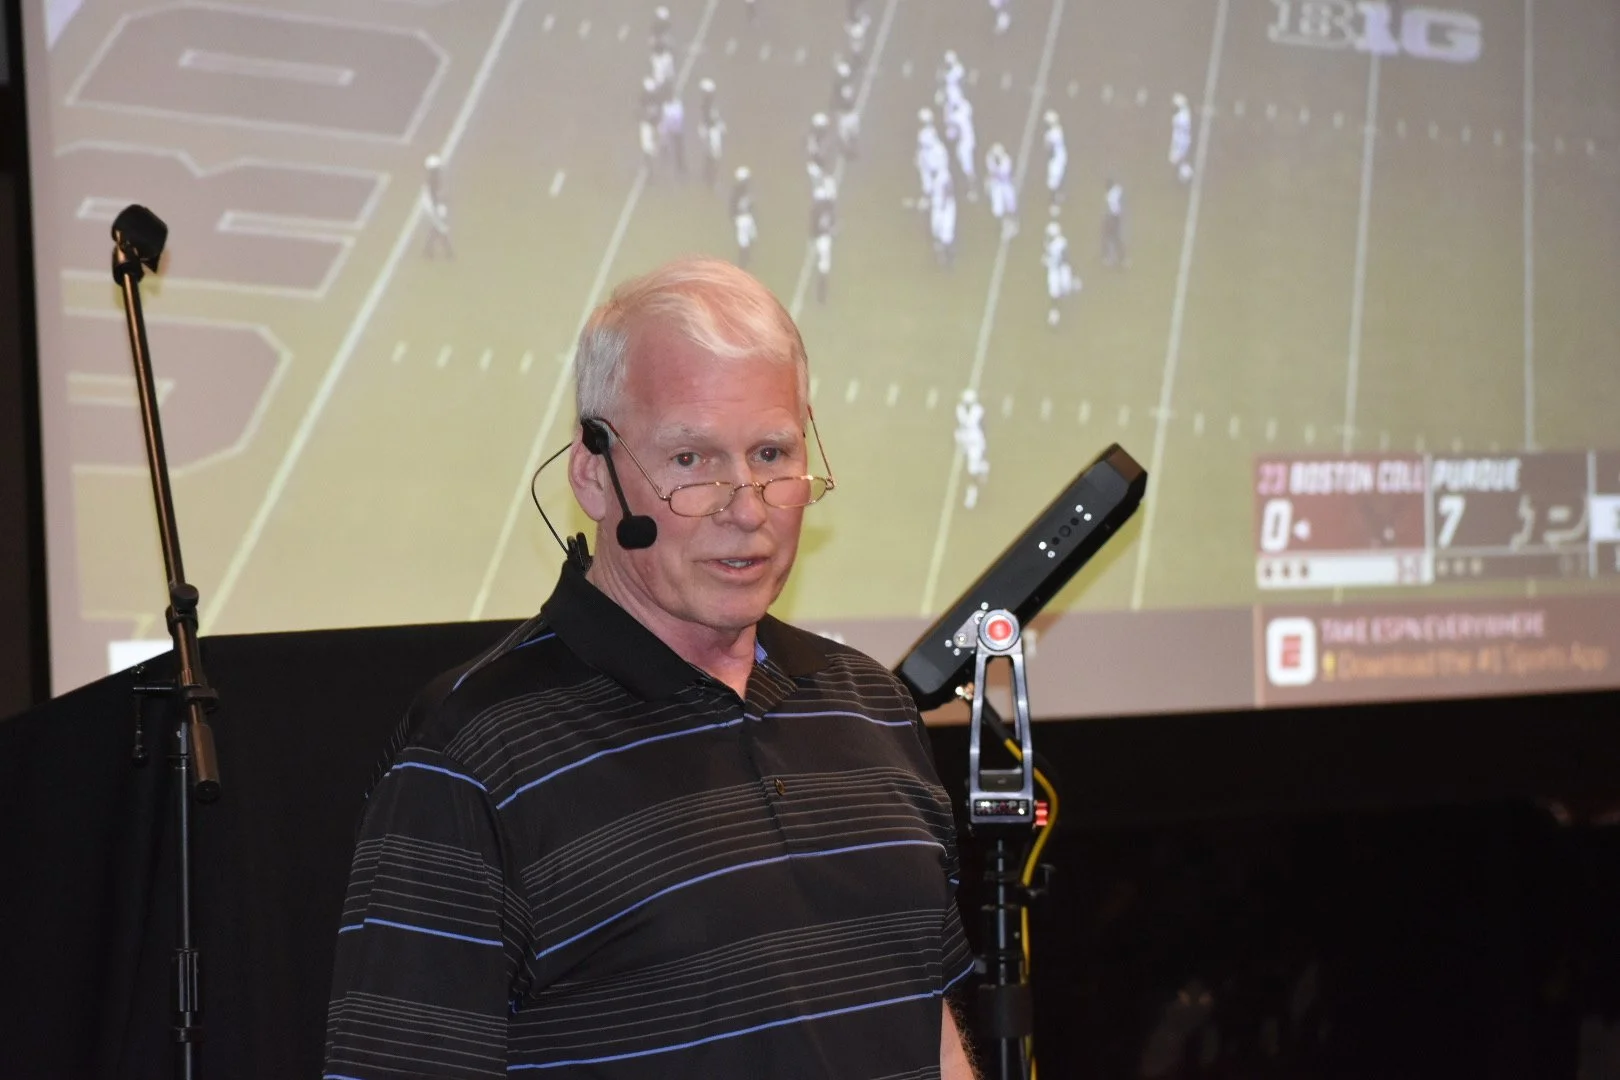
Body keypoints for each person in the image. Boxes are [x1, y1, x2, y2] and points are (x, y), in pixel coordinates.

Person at [322, 257, 978, 1078]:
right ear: (592, 475)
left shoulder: (868, 705)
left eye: (772, 453)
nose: (745, 507)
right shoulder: (470, 760)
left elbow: (928, 1018)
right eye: (691, 462)